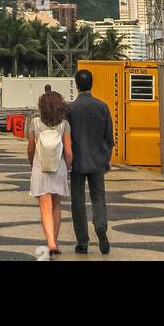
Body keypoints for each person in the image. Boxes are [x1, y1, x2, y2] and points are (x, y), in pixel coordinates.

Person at [68, 68, 114, 254]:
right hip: (97, 161)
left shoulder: (70, 108)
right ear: (91, 84)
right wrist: (106, 159)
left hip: (77, 162)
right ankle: (100, 225)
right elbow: (109, 137)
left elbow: (66, 137)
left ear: (77, 84)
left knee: (77, 201)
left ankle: (82, 241)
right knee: (98, 197)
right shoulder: (102, 107)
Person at [27, 89, 72, 258]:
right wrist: (67, 168)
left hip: (40, 168)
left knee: (45, 206)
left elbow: (30, 148)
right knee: (56, 206)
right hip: (58, 168)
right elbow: (68, 152)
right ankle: (55, 241)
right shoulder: (64, 125)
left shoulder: (35, 123)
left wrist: (32, 163)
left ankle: (50, 243)